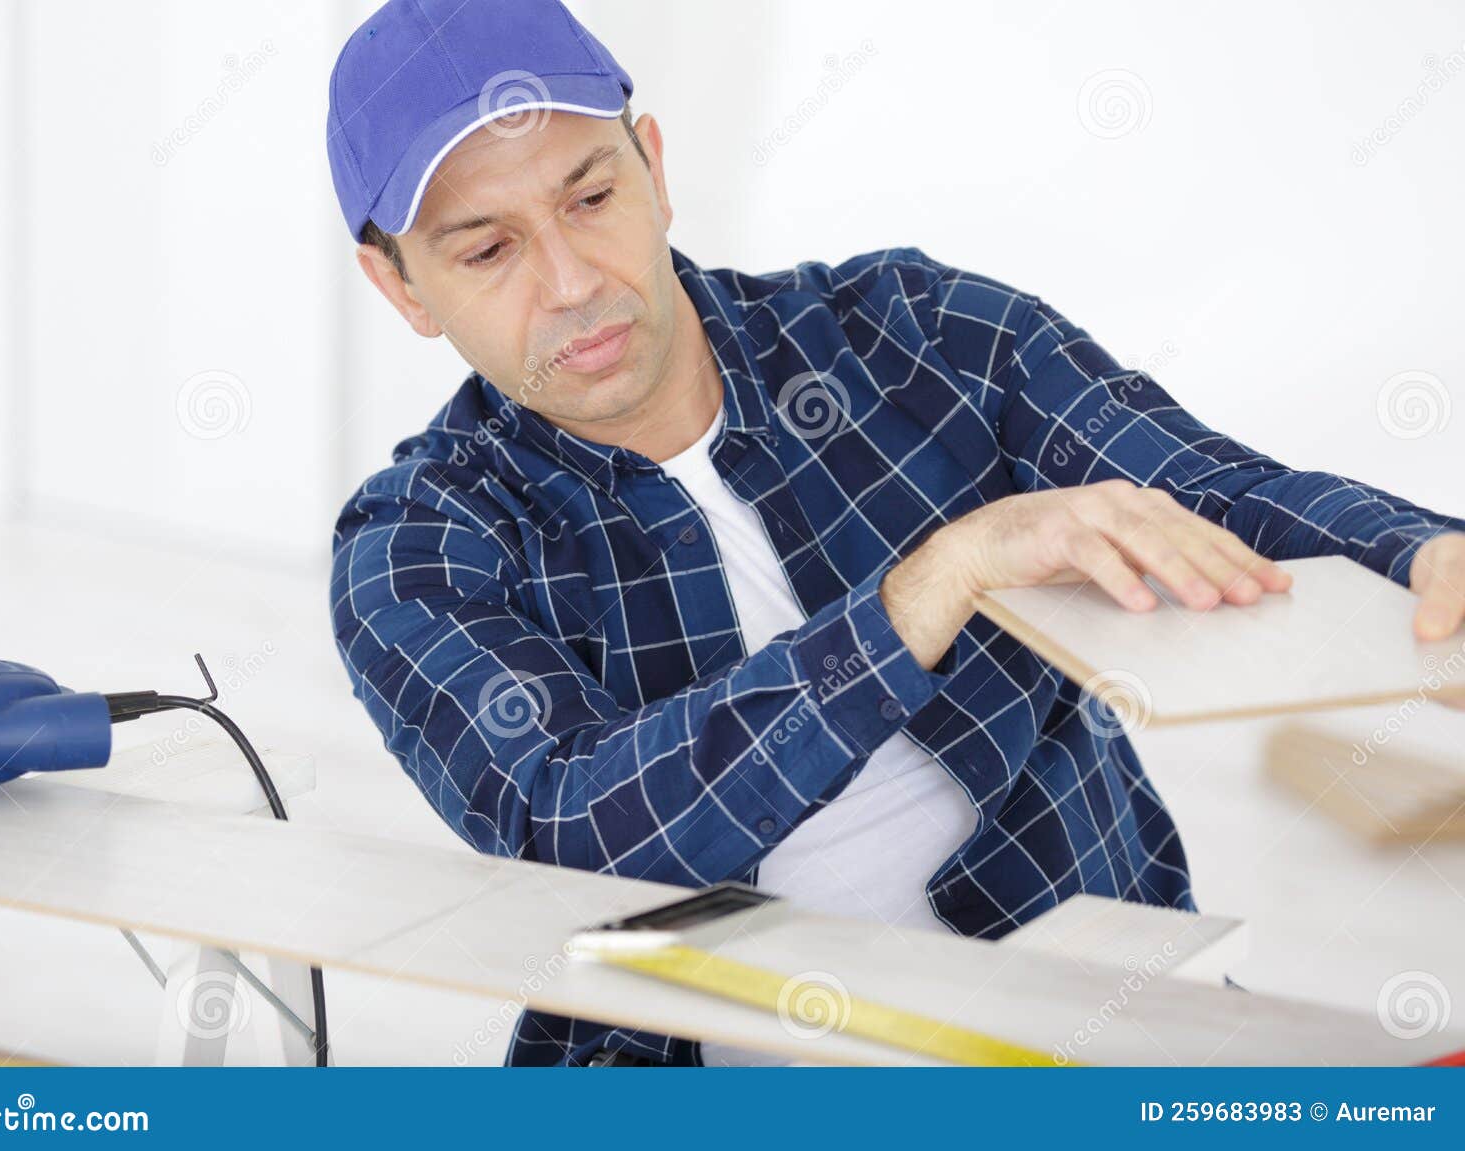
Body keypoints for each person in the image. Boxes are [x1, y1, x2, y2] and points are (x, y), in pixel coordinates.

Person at [324, 0, 1465, 1066]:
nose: (573, 281)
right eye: (487, 249)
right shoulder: (417, 546)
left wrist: (1423, 553)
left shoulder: (912, 334)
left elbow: (1201, 486)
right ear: (402, 287)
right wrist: (929, 587)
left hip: (1078, 1037)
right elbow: (577, 841)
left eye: (590, 197)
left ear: (655, 169)